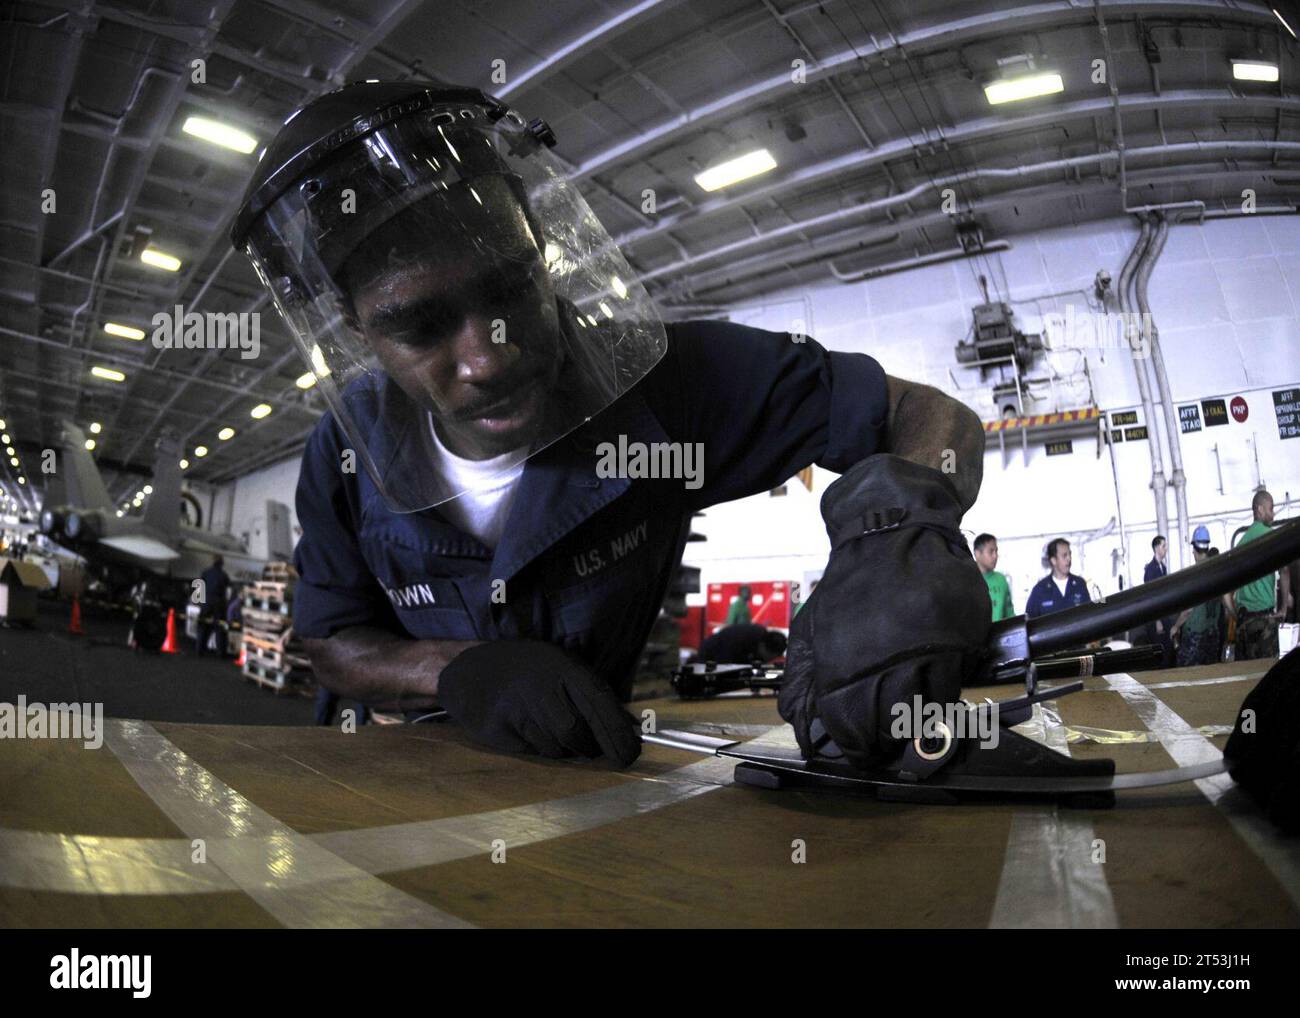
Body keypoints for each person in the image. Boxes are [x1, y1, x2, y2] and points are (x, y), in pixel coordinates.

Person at [230, 81, 986, 768]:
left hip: (590, 775)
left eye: (509, 289)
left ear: (541, 248)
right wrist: (451, 670)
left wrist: (896, 541)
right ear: (357, 330)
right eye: (420, 329)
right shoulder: (344, 453)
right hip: (405, 771)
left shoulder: (674, 388)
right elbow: (331, 642)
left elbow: (933, 414)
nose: (486, 359)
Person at [1233, 489, 1293, 661]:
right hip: (1264, 620)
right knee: (1267, 673)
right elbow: (1285, 571)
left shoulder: (1241, 543)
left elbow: (1228, 591)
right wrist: (1282, 608)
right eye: (1271, 508)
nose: (1273, 514)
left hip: (1243, 623)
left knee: (1246, 676)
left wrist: (1234, 614)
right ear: (1259, 509)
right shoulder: (1271, 538)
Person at [1171, 527, 1229, 666]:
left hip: (1195, 637)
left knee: (1188, 677)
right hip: (1213, 634)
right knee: (1210, 676)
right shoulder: (1217, 572)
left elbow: (1188, 610)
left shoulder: (1193, 574)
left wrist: (1176, 626)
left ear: (1195, 548)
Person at [1025, 538, 1092, 619]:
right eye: (1064, 555)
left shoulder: (1080, 584)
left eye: (1070, 554)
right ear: (1053, 560)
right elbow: (1029, 622)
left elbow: (1089, 616)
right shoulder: (1039, 590)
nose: (1069, 559)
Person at [1142, 535, 1174, 665]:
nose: (1166, 549)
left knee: (1168, 650)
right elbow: (1150, 597)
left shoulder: (1163, 568)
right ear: (1156, 548)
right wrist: (1157, 621)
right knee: (1160, 654)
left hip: (1164, 615)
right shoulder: (1150, 570)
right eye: (1163, 546)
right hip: (1156, 619)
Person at [694, 624, 786, 665]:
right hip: (710, 652)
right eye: (769, 656)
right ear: (763, 645)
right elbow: (724, 667)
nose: (768, 660)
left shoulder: (762, 639)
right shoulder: (739, 640)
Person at [973, 533, 1013, 621]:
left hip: (1000, 633)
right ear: (977, 554)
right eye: (991, 551)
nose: (995, 556)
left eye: (996, 551)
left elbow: (1010, 615)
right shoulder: (968, 580)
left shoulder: (1001, 580)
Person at [196, 555, 230, 657]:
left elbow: (198, 585)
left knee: (203, 625)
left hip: (206, 602)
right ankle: (220, 652)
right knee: (220, 627)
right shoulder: (224, 575)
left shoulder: (205, 572)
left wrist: (198, 602)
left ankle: (200, 650)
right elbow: (228, 590)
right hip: (219, 603)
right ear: (222, 563)